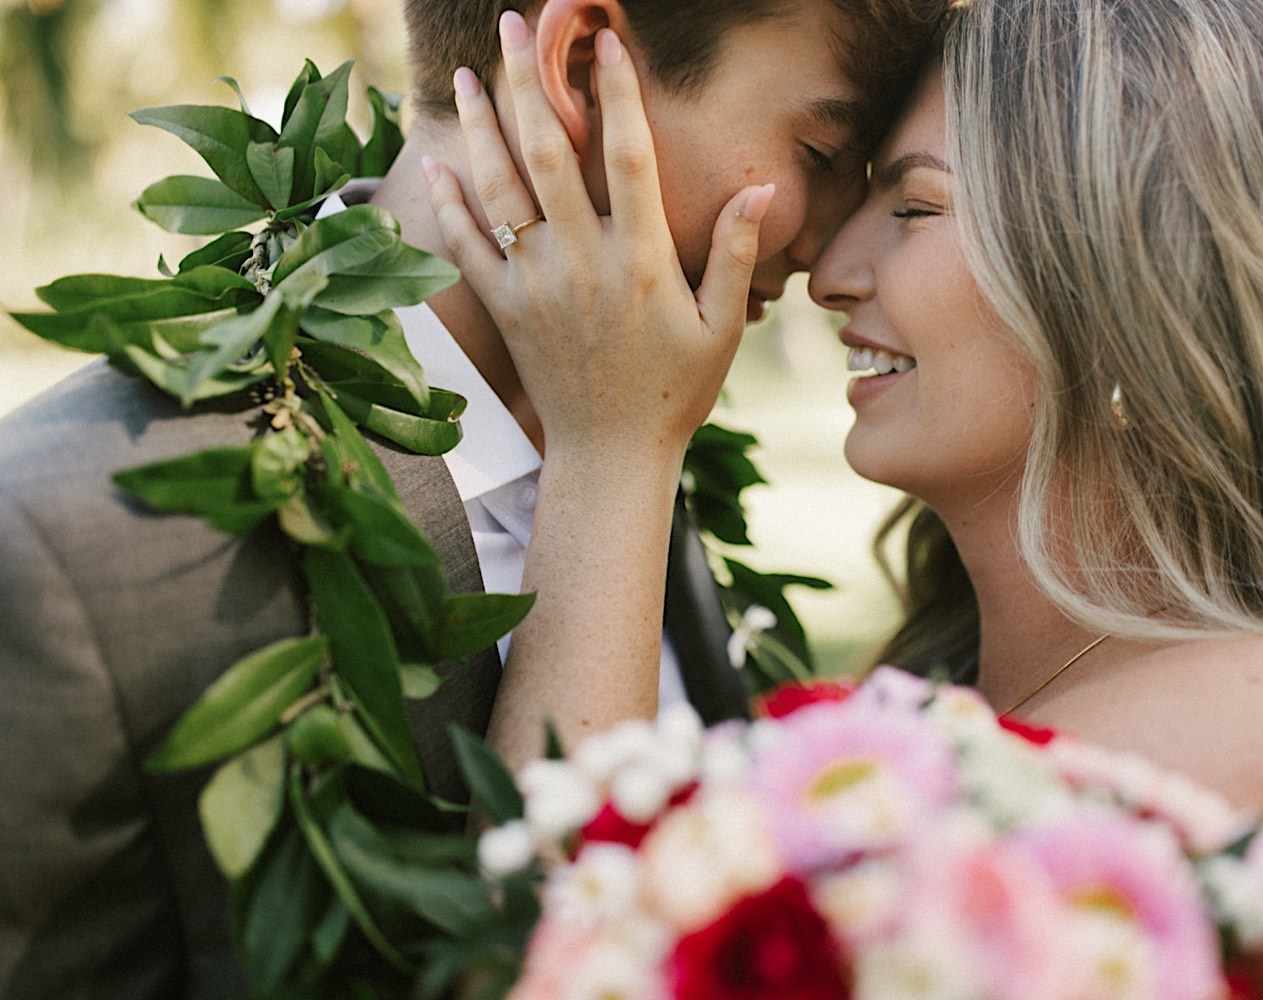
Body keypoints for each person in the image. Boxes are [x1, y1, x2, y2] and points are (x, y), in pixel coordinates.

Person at [423, 0, 1263, 997]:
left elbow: (556, 966)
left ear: (1128, 280)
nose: (830, 265)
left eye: (915, 205)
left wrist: (612, 451)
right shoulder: (959, 682)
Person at [0, 1, 946, 997]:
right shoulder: (69, 553)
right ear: (584, 64)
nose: (832, 249)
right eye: (822, 151)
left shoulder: (643, 399)